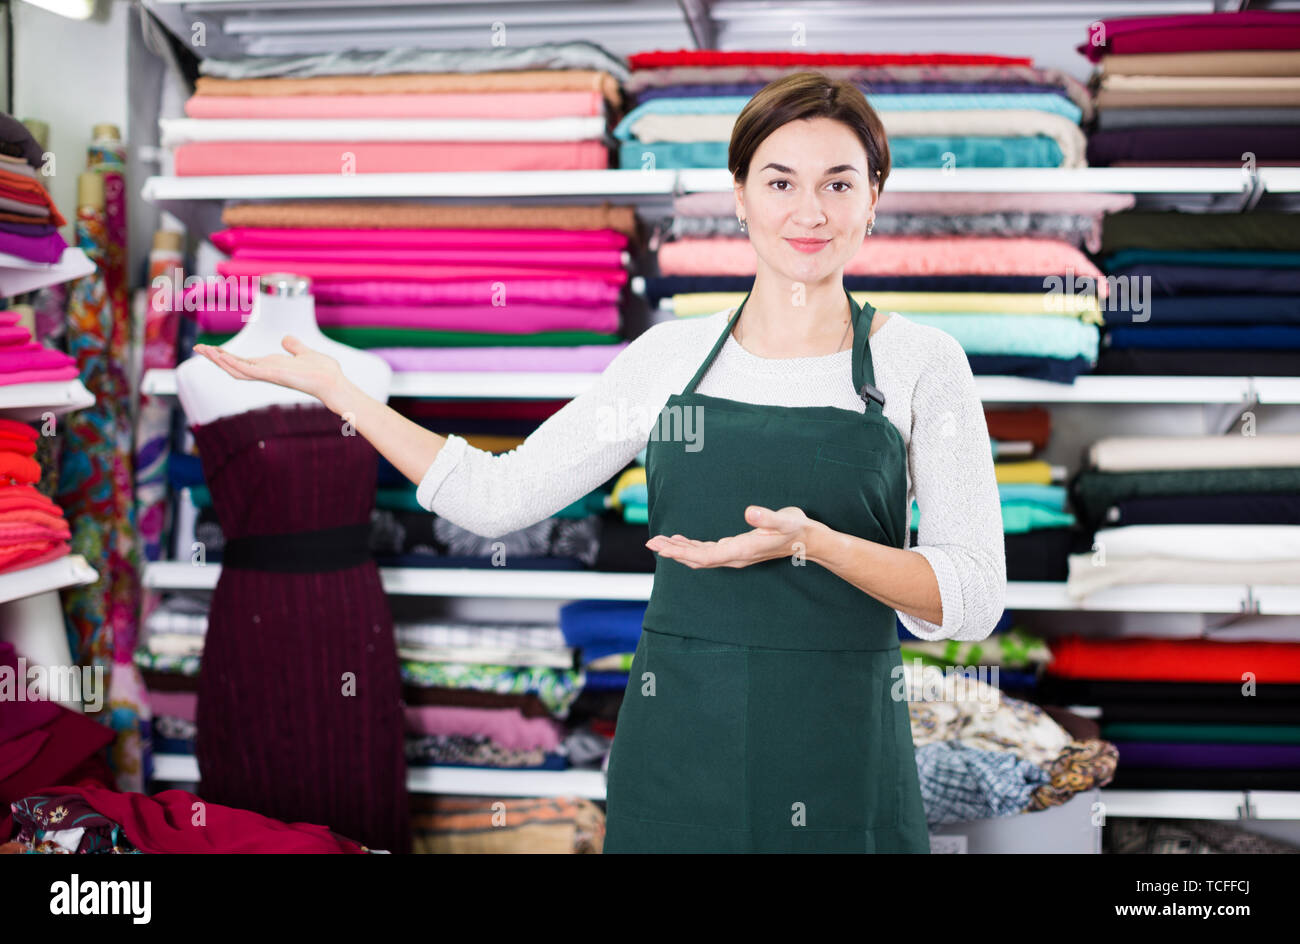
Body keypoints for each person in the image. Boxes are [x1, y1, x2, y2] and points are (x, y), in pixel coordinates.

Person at [195, 72, 1006, 854]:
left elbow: (973, 598)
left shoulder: (920, 364)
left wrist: (817, 544)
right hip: (682, 746)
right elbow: (495, 495)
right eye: (780, 181)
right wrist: (345, 395)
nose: (809, 211)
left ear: (874, 200)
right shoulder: (666, 359)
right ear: (740, 197)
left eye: (838, 184)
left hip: (844, 754)